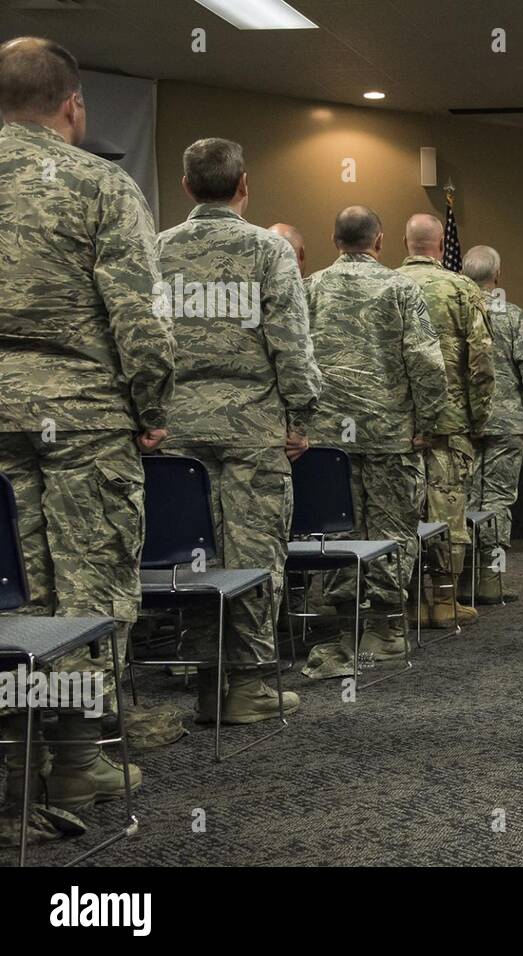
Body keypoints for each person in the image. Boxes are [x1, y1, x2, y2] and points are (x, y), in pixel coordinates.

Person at [0, 37, 174, 843]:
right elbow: (140, 320)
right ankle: (77, 755)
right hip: (83, 419)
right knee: (91, 589)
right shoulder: (100, 182)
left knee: (15, 590)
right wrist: (149, 406)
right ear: (73, 106)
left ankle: (16, 770)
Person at [156, 137, 321, 724]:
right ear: (244, 186)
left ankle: (206, 683)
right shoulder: (269, 250)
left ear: (185, 186)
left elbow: (143, 340)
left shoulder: (158, 250)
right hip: (253, 428)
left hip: (178, 430)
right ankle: (248, 687)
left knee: (192, 557)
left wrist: (151, 415)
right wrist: (300, 418)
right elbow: (291, 344)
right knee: (253, 553)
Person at [300, 206, 447, 678]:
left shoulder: (311, 288)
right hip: (390, 435)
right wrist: (429, 421)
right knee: (391, 531)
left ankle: (345, 628)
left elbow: (294, 357)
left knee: (338, 530)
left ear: (334, 238)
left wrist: (299, 423)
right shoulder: (401, 288)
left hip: (328, 440)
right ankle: (384, 631)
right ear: (380, 241)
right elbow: (426, 363)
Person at [397, 213, 495, 629]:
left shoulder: (389, 286)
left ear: (405, 243)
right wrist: (480, 418)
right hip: (450, 424)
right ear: (440, 245)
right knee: (447, 508)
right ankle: (444, 601)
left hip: (396, 426)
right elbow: (482, 362)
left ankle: (408, 602)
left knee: (401, 512)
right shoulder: (462, 289)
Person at [461, 244, 523, 603]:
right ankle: (490, 582)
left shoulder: (453, 312)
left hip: (459, 424)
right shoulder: (511, 315)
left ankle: (456, 582)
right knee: (496, 501)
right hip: (505, 422)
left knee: (460, 500)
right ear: (497, 276)